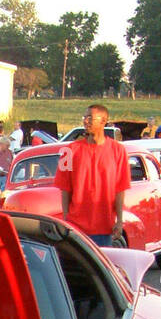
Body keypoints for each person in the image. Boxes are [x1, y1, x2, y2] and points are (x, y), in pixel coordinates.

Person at [53, 103, 130, 247]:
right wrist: (65, 218)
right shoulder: (68, 151)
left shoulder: (119, 151)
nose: (85, 121)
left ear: (103, 121)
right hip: (76, 227)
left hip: (104, 228)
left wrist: (119, 221)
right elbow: (64, 188)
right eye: (85, 117)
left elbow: (120, 189)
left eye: (90, 118)